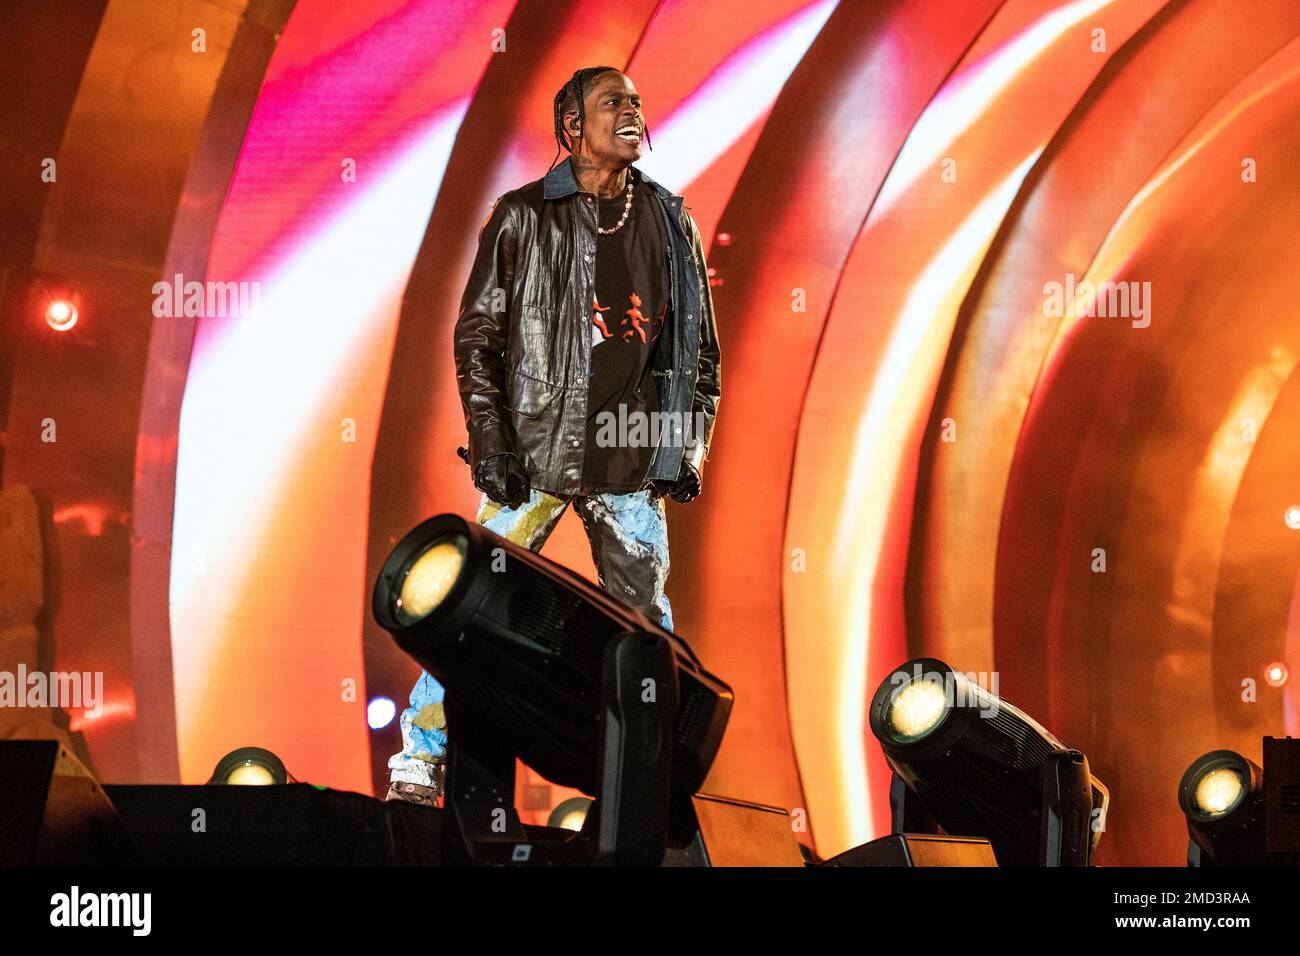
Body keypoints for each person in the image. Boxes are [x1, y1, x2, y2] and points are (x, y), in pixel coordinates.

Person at [386, 65, 721, 805]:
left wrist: (684, 447)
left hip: (629, 455)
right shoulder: (522, 215)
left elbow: (698, 354)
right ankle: (421, 760)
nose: (631, 110)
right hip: (535, 455)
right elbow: (478, 337)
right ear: (572, 127)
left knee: (646, 633)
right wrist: (494, 440)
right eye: (613, 103)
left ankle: (650, 775)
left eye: (637, 101)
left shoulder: (671, 220)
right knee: (465, 602)